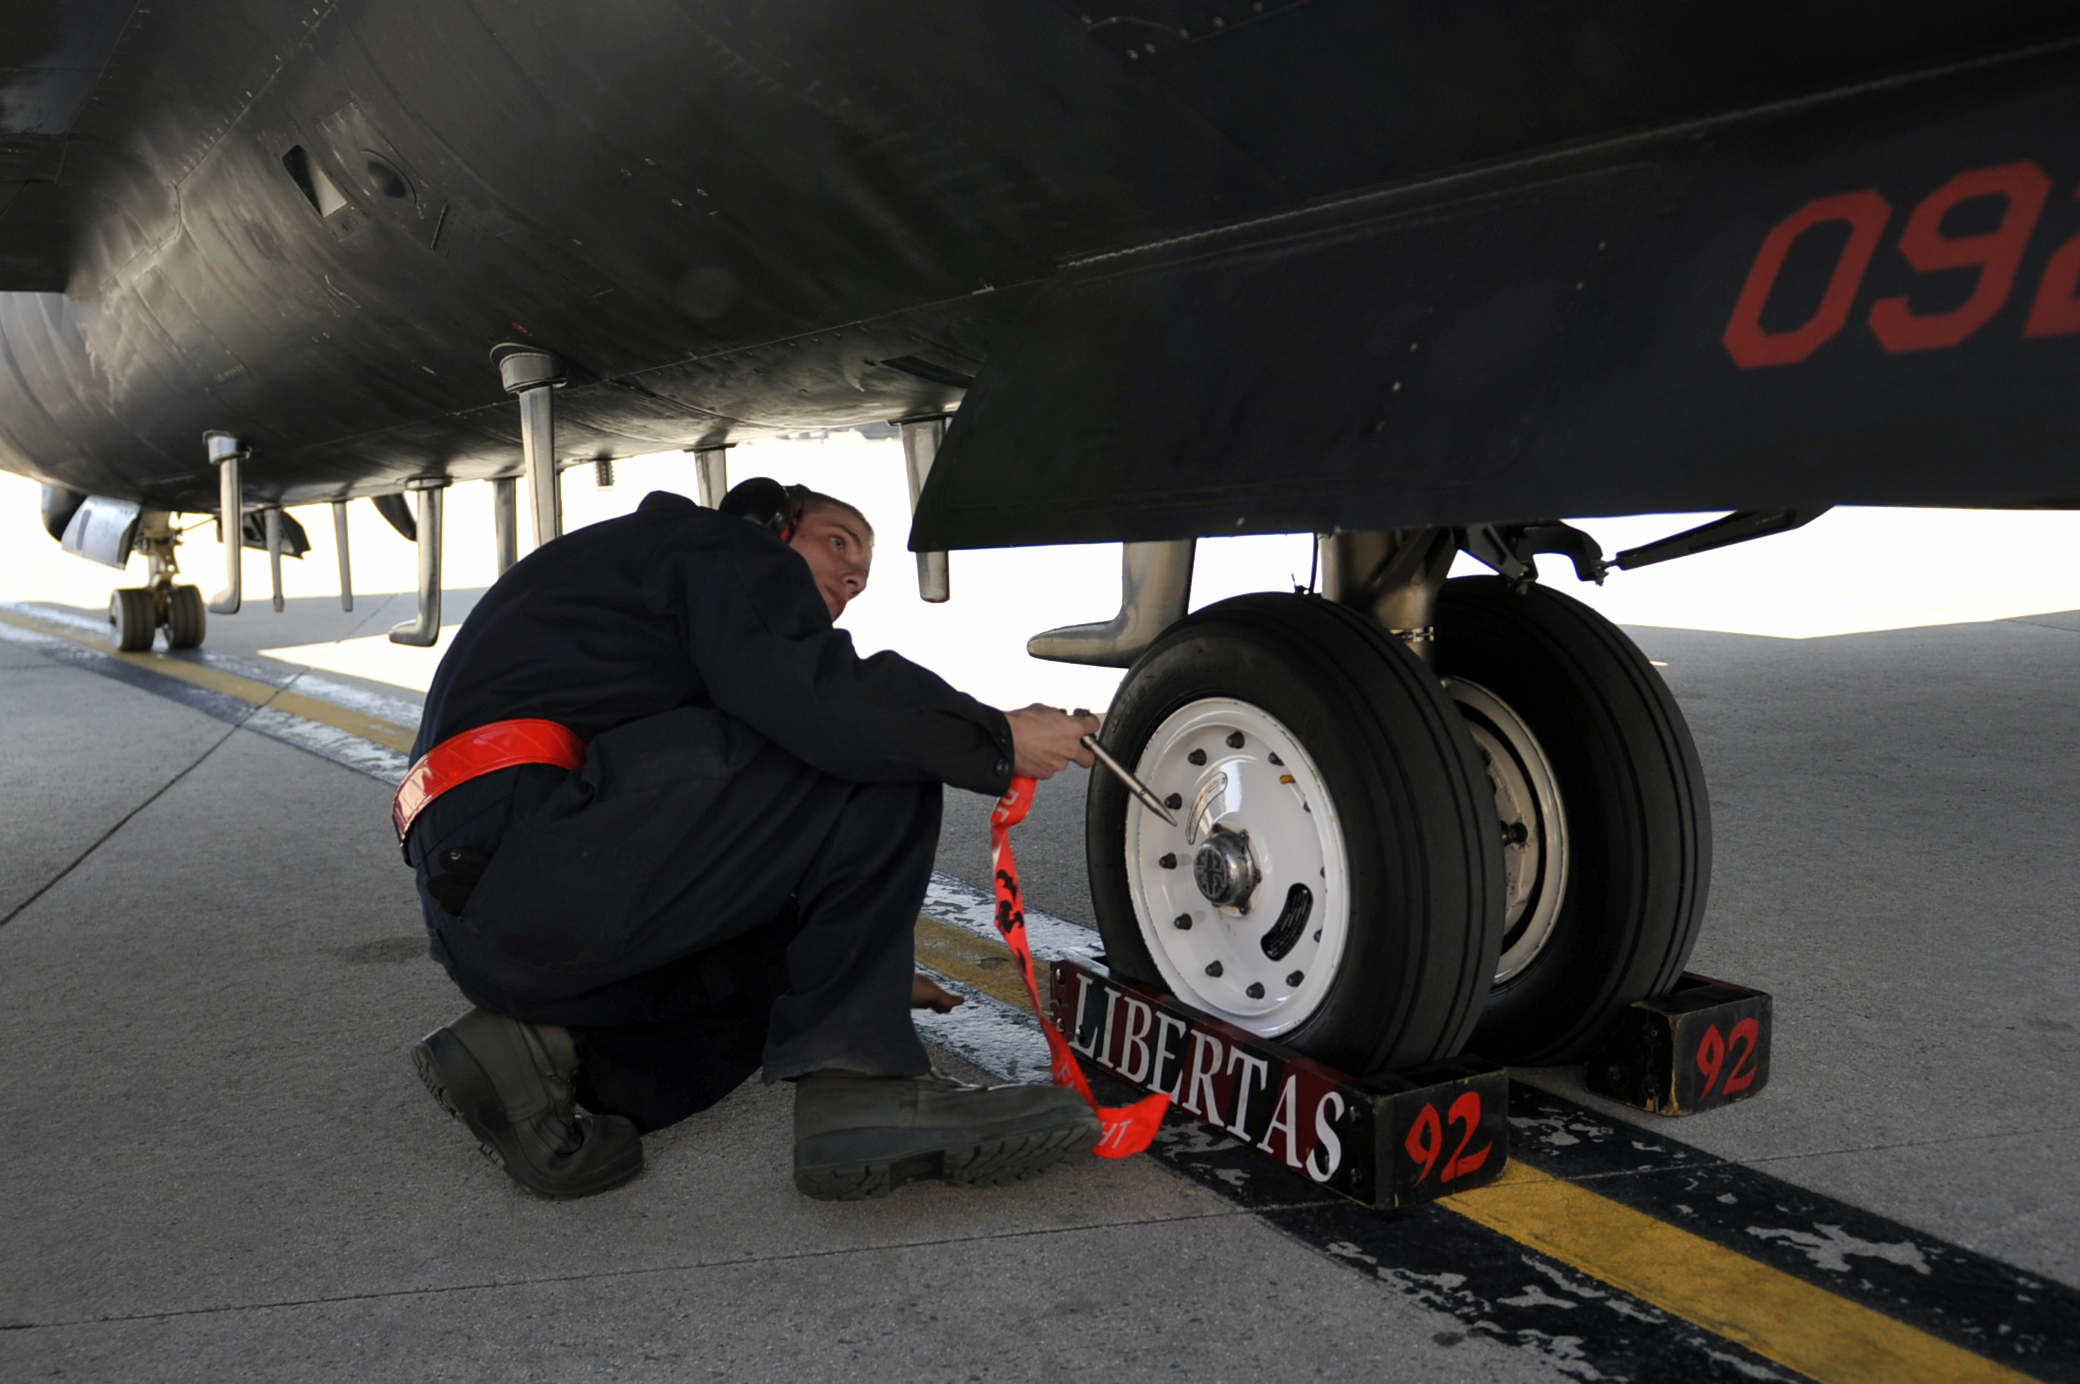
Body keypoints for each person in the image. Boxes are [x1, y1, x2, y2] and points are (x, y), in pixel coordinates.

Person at [398, 478, 1103, 1201]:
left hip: (500, 900)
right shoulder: (719, 543)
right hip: (538, 845)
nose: (853, 576)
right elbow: (819, 701)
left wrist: (862, 972)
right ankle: (862, 1088)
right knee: (878, 747)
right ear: (771, 519)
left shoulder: (637, 599)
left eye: (861, 575)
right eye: (837, 542)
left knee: (780, 963)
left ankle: (538, 1050)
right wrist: (996, 735)